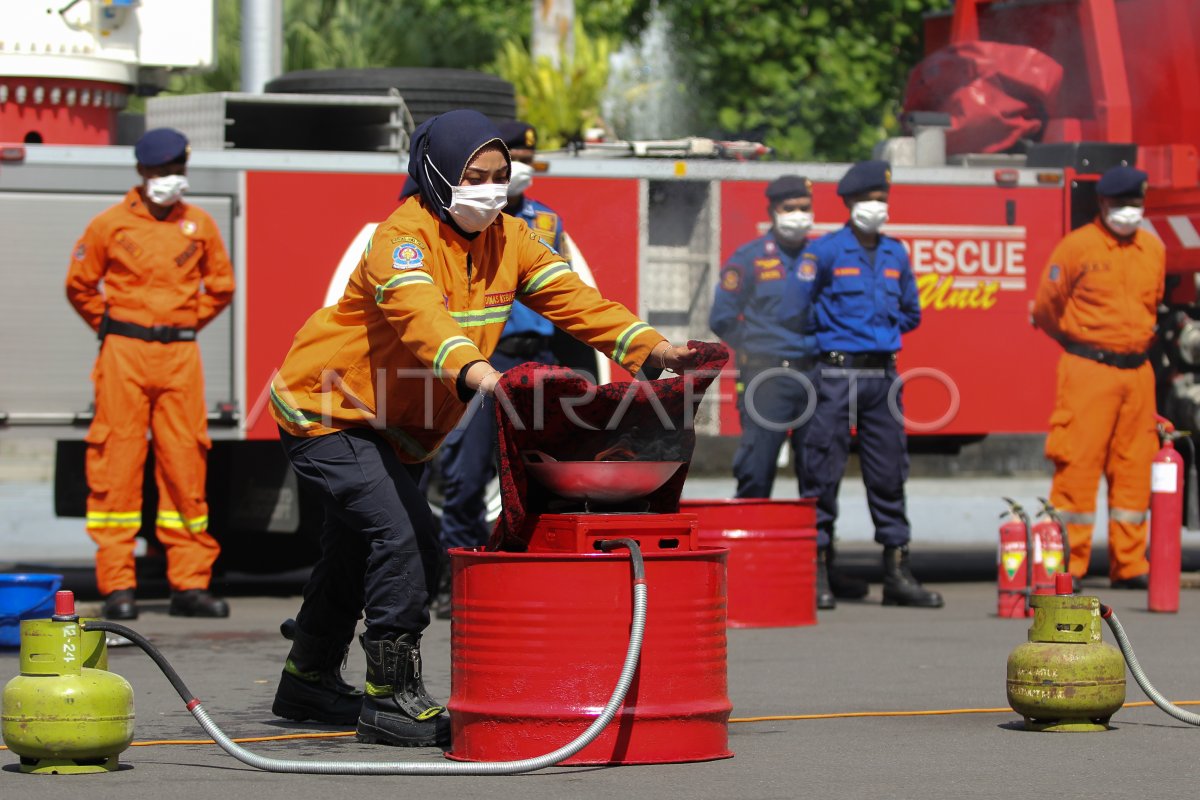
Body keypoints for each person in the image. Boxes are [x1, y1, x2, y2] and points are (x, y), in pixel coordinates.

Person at [268, 109, 700, 747]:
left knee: (356, 549)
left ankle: (307, 679)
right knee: (408, 535)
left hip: (401, 426)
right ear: (437, 175)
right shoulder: (402, 239)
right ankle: (389, 696)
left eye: (500, 177)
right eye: (476, 176)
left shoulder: (513, 238)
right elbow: (422, 320)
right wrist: (482, 374)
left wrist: (651, 348)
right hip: (329, 411)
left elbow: (574, 299)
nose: (493, 190)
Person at [65, 127, 235, 620]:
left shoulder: (198, 225)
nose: (170, 180)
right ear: (142, 172)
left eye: (177, 171)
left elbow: (221, 286)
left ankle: (190, 585)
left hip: (180, 356)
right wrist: (114, 326)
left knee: (185, 465)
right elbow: (80, 285)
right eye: (162, 172)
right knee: (115, 465)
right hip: (123, 354)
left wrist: (183, 324)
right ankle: (118, 586)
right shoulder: (110, 225)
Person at [708, 175, 867, 608]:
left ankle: (817, 570)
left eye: (805, 206)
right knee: (757, 470)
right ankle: (747, 569)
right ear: (773, 211)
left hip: (816, 374)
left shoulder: (823, 255)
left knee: (821, 473)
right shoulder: (749, 258)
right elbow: (721, 317)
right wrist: (754, 350)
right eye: (791, 207)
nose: (799, 215)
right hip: (767, 377)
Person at [429, 121, 565, 619]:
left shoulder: (547, 221)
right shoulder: (469, 220)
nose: (522, 164)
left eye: (529, 154)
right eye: (516, 154)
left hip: (538, 358)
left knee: (543, 474)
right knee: (466, 473)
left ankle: (531, 570)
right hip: (486, 359)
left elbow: (563, 291)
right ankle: (457, 575)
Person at [799, 160, 943, 609]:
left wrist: (877, 336)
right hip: (836, 372)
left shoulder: (896, 253)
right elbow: (797, 310)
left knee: (889, 471)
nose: (876, 207)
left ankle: (897, 572)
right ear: (847, 203)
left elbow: (912, 312)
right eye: (868, 200)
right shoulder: (823, 252)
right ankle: (819, 570)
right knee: (822, 469)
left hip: (883, 375)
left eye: (882, 199)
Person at [1031, 165, 1164, 590]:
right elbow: (1047, 308)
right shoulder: (1077, 247)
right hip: (1088, 369)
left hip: (1138, 373)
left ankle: (1130, 564)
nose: (1129, 211)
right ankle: (1070, 567)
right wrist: (1079, 341)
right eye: (1122, 204)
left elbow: (1153, 303)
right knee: (1077, 468)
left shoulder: (1152, 249)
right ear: (1103, 204)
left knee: (1134, 468)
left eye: (1136, 204)